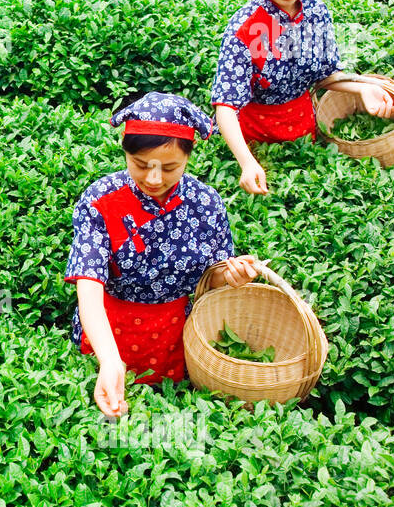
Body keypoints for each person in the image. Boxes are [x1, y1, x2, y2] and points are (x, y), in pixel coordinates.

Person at [64, 93, 259, 418]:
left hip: (175, 336)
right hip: (109, 332)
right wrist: (110, 361)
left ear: (188, 157)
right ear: (126, 152)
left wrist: (233, 274)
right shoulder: (100, 200)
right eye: (141, 165)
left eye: (170, 168)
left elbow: (214, 276)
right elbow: (88, 286)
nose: (154, 179)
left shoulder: (205, 204)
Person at [211, 0, 394, 195]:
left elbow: (325, 74)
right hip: (252, 135)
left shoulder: (316, 12)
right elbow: (226, 105)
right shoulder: (247, 25)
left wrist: (363, 87)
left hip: (302, 125)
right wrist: (247, 162)